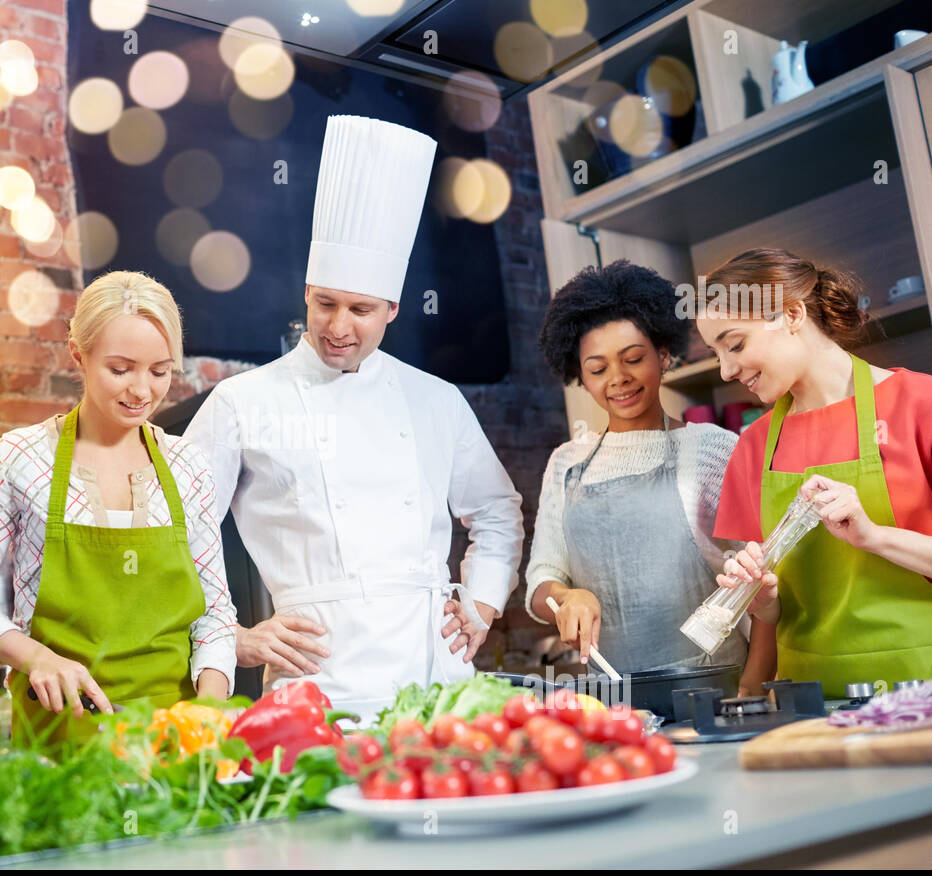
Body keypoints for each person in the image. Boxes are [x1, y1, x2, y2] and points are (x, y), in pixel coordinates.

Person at [184, 115, 525, 721]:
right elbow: (178, 533)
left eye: (361, 310)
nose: (339, 327)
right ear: (307, 294)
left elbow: (497, 511)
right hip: (318, 683)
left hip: (435, 679)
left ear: (393, 308)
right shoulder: (243, 402)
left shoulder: (435, 400)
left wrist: (483, 603)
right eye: (325, 304)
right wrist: (232, 637)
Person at [0, 271, 236, 745]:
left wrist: (210, 710)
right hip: (58, 740)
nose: (142, 390)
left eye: (160, 371)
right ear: (79, 353)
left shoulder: (188, 466)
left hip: (174, 744)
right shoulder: (20, 459)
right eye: (121, 369)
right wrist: (38, 659)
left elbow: (215, 614)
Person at [699, 248, 932, 697]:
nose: (726, 370)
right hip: (806, 703)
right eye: (716, 355)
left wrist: (873, 536)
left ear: (791, 313)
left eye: (735, 344)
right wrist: (749, 694)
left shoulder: (919, 404)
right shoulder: (753, 447)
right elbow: (766, 624)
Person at [525, 261, 760, 688]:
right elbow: (541, 579)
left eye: (633, 359)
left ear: (664, 354)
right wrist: (565, 598)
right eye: (597, 370)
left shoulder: (709, 448)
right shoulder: (566, 463)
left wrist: (757, 683)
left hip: (714, 687)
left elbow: (762, 584)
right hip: (611, 695)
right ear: (580, 375)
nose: (618, 379)